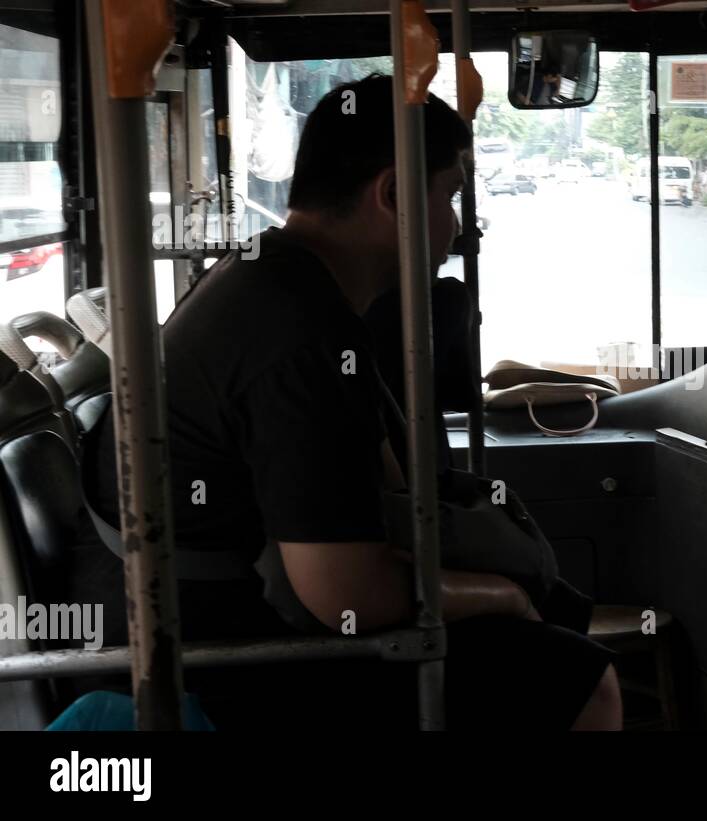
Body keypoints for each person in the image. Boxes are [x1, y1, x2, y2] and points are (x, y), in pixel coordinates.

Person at [84, 75, 621, 730]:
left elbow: (379, 493)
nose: (460, 223)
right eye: (450, 195)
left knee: (555, 615)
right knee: (578, 679)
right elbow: (348, 594)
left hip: (229, 619)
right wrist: (500, 594)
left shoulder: (274, 280)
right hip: (229, 662)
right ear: (393, 195)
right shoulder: (296, 331)